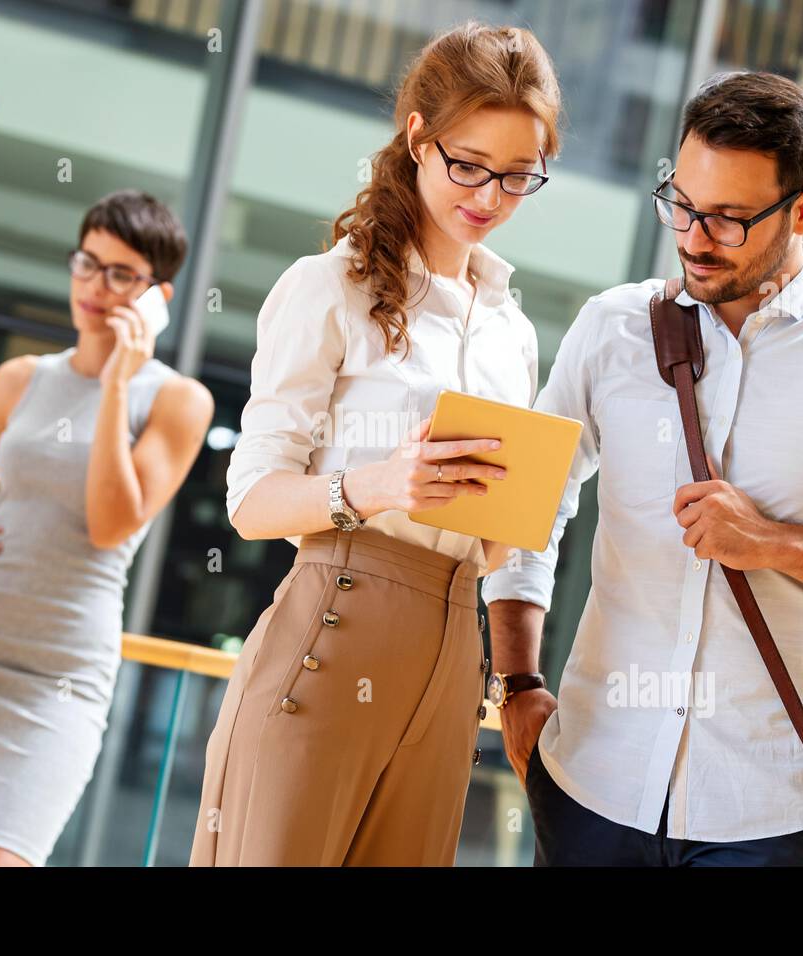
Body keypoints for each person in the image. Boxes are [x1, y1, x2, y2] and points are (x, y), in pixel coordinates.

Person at [482, 71, 803, 866]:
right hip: (588, 787)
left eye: (727, 219)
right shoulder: (612, 327)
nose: (692, 237)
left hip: (770, 817)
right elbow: (527, 507)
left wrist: (780, 545)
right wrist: (515, 682)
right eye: (680, 203)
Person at [190, 21, 561, 866]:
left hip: (452, 657)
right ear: (417, 136)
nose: (491, 195)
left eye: (518, 175)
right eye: (469, 164)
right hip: (334, 628)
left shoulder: (511, 328)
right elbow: (248, 499)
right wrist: (377, 485)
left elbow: (499, 542)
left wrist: (513, 517)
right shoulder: (331, 287)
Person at [0, 190, 214, 867]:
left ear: (157, 295)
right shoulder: (20, 379)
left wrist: (114, 385)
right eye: (87, 263)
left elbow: (112, 523)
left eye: (120, 274)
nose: (95, 287)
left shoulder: (178, 400)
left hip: (61, 675)